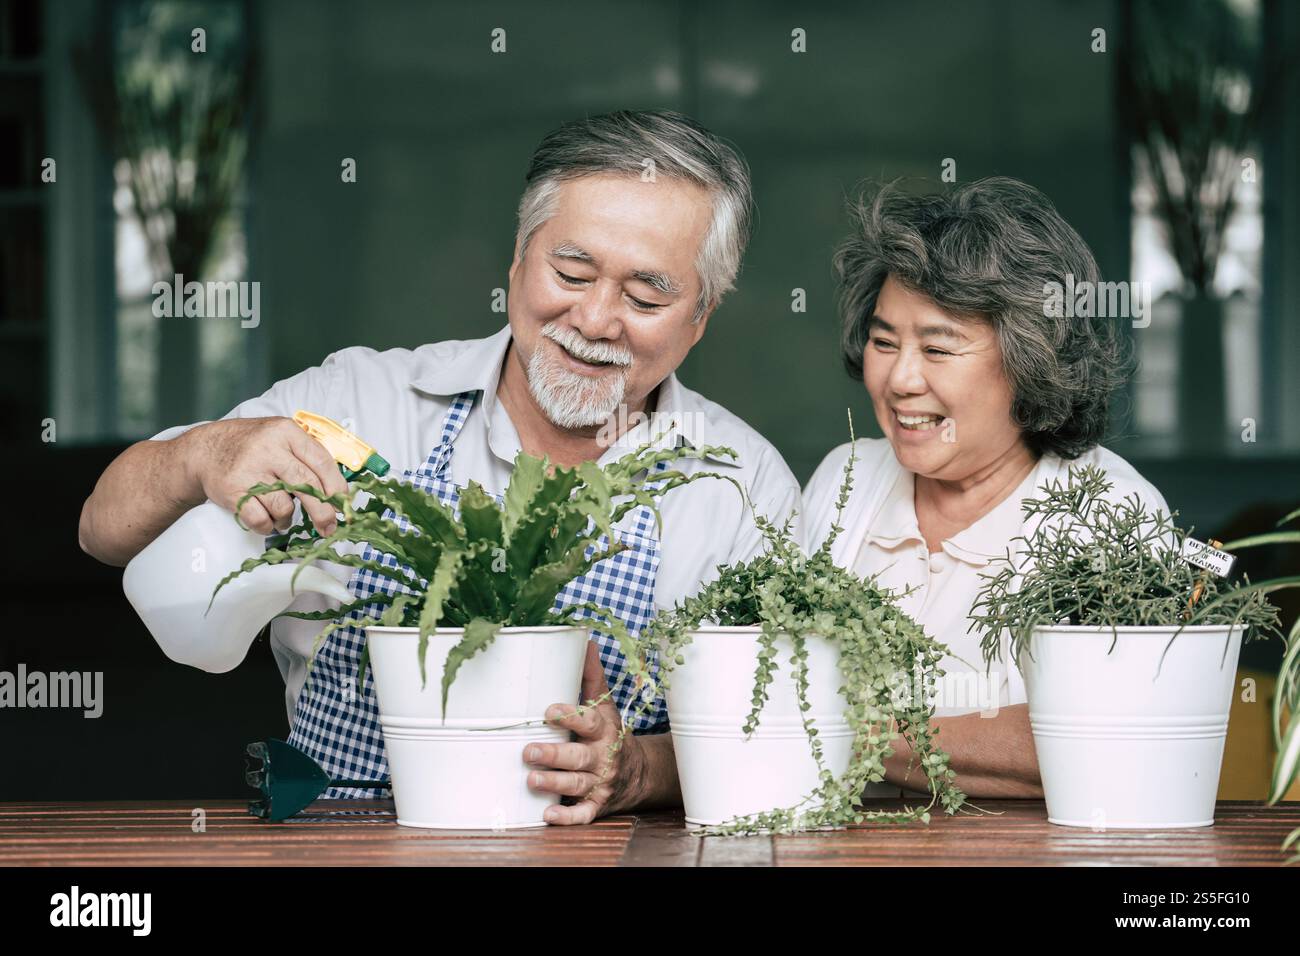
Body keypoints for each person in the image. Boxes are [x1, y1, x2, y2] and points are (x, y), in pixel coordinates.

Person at [80, 109, 800, 824]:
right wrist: (206, 452)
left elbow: (776, 737)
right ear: (517, 258)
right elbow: (101, 530)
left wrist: (639, 770)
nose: (595, 319)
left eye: (646, 297)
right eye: (571, 271)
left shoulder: (741, 483)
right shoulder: (355, 399)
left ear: (701, 315)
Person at [801, 177, 1168, 798]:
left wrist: (840, 732)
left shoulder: (1112, 512)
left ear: (1030, 360)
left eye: (939, 349)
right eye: (884, 342)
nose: (900, 379)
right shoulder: (847, 478)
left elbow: (1108, 732)